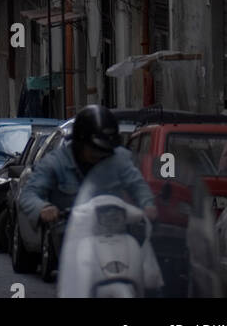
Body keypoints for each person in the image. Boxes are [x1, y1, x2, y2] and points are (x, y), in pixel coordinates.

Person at [17, 105, 157, 267]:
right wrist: (43, 208)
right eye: (95, 149)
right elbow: (29, 194)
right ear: (80, 143)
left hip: (114, 235)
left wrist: (148, 205)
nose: (101, 155)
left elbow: (137, 183)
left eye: (106, 150)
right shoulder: (55, 162)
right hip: (72, 240)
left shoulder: (118, 158)